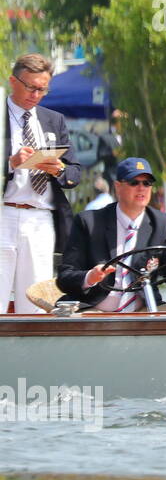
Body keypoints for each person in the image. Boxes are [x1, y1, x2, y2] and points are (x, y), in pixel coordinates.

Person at [57, 158, 166, 311]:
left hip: (145, 310)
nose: (142, 188)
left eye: (147, 183)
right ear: (118, 187)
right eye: (134, 182)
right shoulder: (88, 222)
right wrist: (90, 277)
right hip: (94, 311)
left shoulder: (162, 223)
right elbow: (65, 277)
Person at [3, 53, 83, 313]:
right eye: (31, 87)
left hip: (40, 217)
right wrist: (10, 163)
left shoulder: (53, 119)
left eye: (43, 89)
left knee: (36, 298)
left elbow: (75, 172)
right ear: (13, 81)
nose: (36, 94)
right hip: (4, 211)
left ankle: (30, 350)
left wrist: (59, 169)